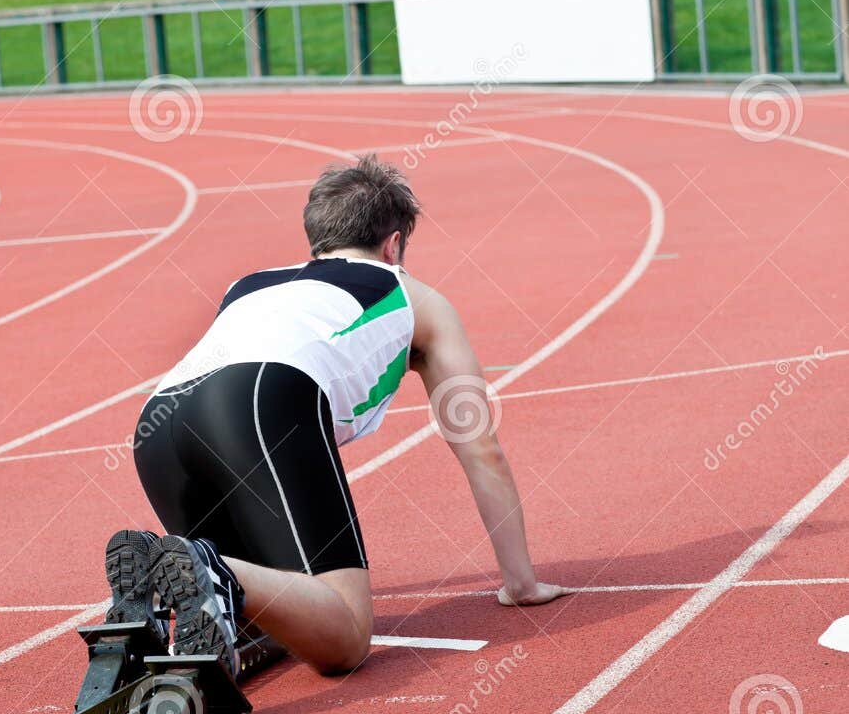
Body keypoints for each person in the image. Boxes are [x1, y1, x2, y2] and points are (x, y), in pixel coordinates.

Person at [105, 154, 565, 677]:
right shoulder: (416, 298)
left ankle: (167, 563)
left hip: (159, 421)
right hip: (261, 399)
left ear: (317, 238)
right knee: (344, 638)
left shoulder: (251, 283)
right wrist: (520, 584)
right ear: (394, 244)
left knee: (260, 616)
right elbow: (480, 446)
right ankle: (207, 566)